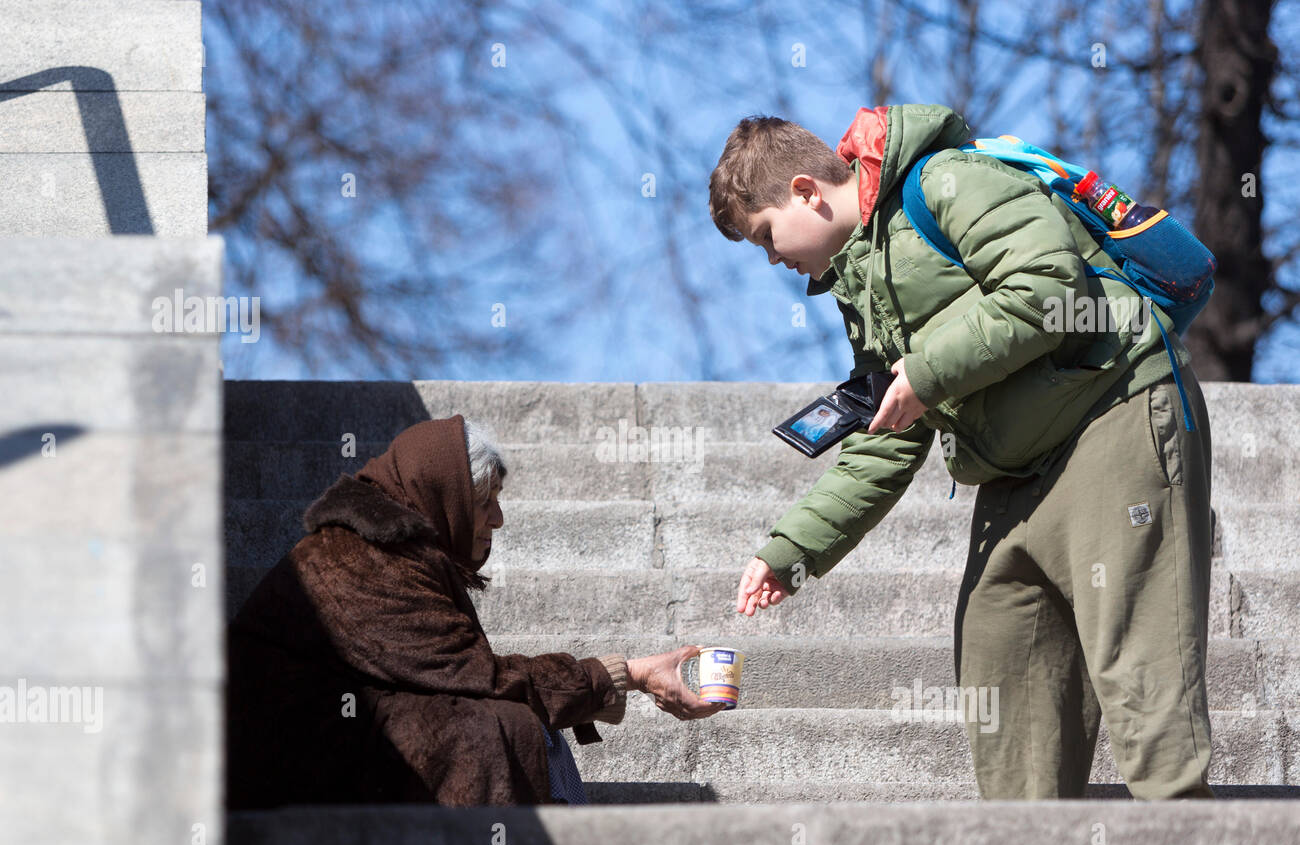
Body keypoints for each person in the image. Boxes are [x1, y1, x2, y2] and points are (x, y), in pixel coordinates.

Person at [708, 102, 1214, 800]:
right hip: (1013, 472)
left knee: (1142, 676)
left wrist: (925, 371)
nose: (774, 260)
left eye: (766, 238)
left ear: (803, 192)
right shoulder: (860, 282)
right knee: (1004, 681)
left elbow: (1047, 285)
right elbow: (890, 438)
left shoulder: (946, 180)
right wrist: (789, 550)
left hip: (1114, 412)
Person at [225, 415, 719, 809]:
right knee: (498, 730)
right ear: (447, 496)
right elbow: (479, 678)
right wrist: (628, 673)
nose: (498, 519)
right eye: (486, 501)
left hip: (311, 744)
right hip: (270, 762)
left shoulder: (392, 549)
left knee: (517, 727)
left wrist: (618, 678)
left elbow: (466, 675)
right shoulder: (358, 556)